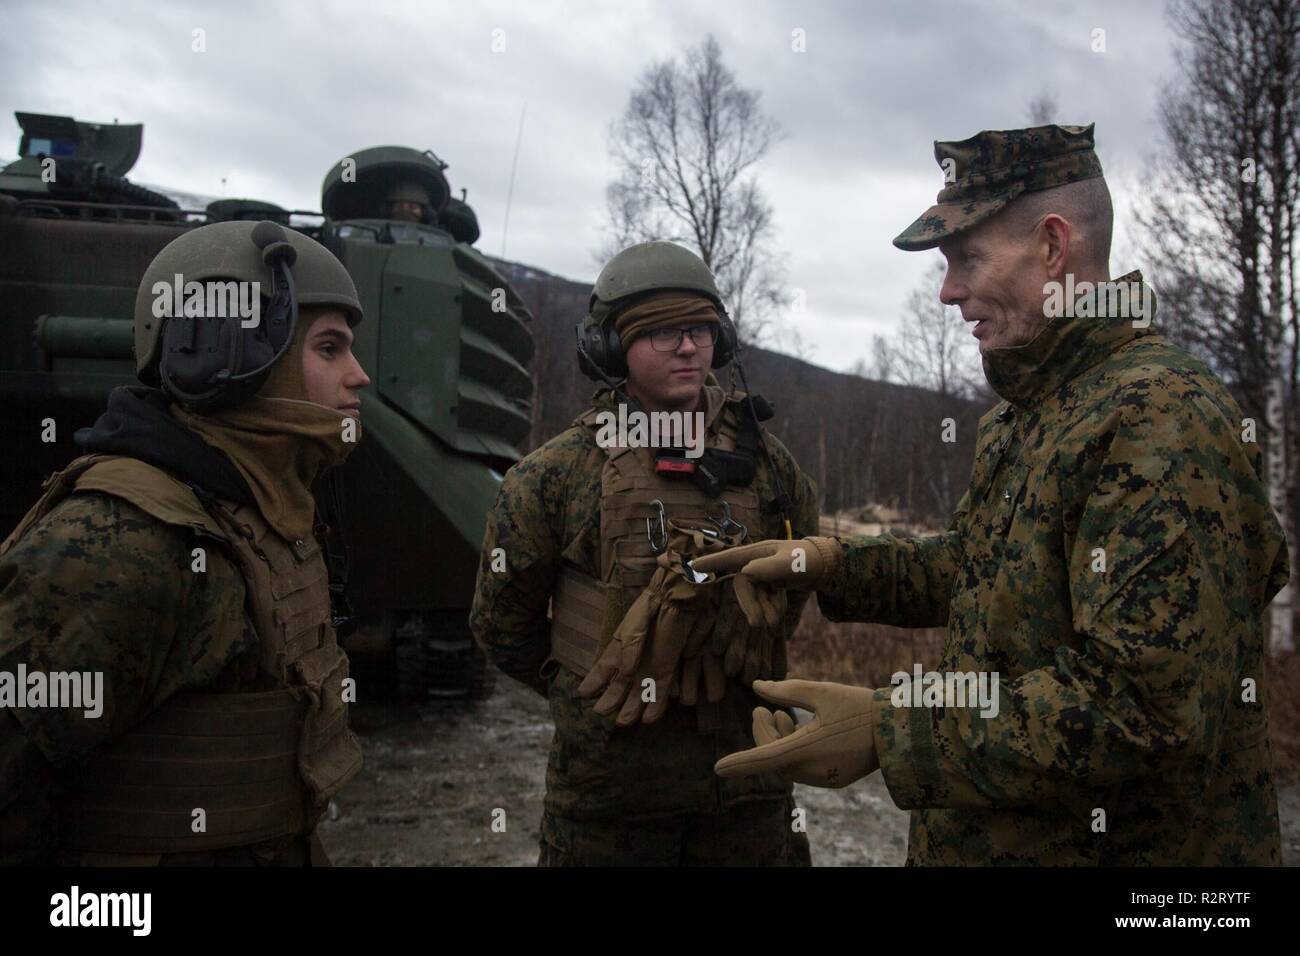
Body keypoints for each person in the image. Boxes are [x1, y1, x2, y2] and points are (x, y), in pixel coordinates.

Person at [699, 124, 1291, 866]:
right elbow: (983, 572)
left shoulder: (1164, 418)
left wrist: (893, 731)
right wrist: (826, 564)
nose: (948, 292)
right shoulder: (1026, 413)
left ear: (1052, 246)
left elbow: (1144, 708)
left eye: (966, 259)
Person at [0, 219, 371, 865]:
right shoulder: (119, 545)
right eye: (330, 348)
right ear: (225, 351)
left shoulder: (254, 511)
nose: (359, 375)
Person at [471, 240, 820, 865]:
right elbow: (502, 624)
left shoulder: (770, 468)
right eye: (660, 332)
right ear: (609, 348)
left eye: (699, 329)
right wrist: (585, 695)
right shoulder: (555, 474)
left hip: (747, 785)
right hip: (610, 797)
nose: (687, 346)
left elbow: (795, 587)